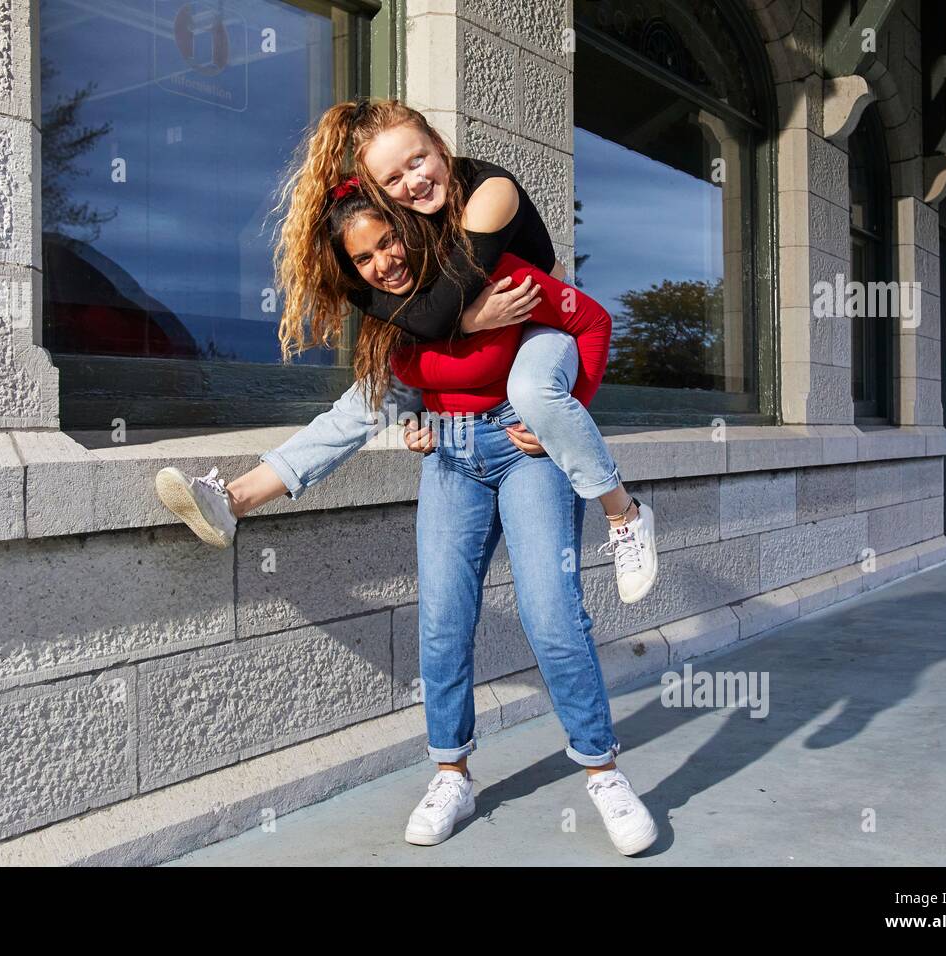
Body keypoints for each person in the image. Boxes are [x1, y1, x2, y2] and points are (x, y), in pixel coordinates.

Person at [155, 98, 658, 602]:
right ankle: (234, 501)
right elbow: (414, 307)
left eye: (417, 161)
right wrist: (436, 413)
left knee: (530, 388)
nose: (413, 183)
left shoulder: (491, 195)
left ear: (439, 145)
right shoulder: (412, 228)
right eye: (393, 180)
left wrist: (564, 414)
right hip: (469, 346)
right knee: (362, 404)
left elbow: (450, 315)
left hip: (534, 324)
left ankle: (624, 515)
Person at [322, 180, 660, 853]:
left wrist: (565, 415)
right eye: (363, 259)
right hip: (450, 456)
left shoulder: (494, 272)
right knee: (444, 618)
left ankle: (603, 770)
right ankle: (451, 772)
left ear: (408, 228)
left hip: (523, 449)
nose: (382, 261)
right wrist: (417, 419)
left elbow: (589, 324)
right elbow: (422, 384)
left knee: (552, 613)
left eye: (387, 240)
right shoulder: (392, 317)